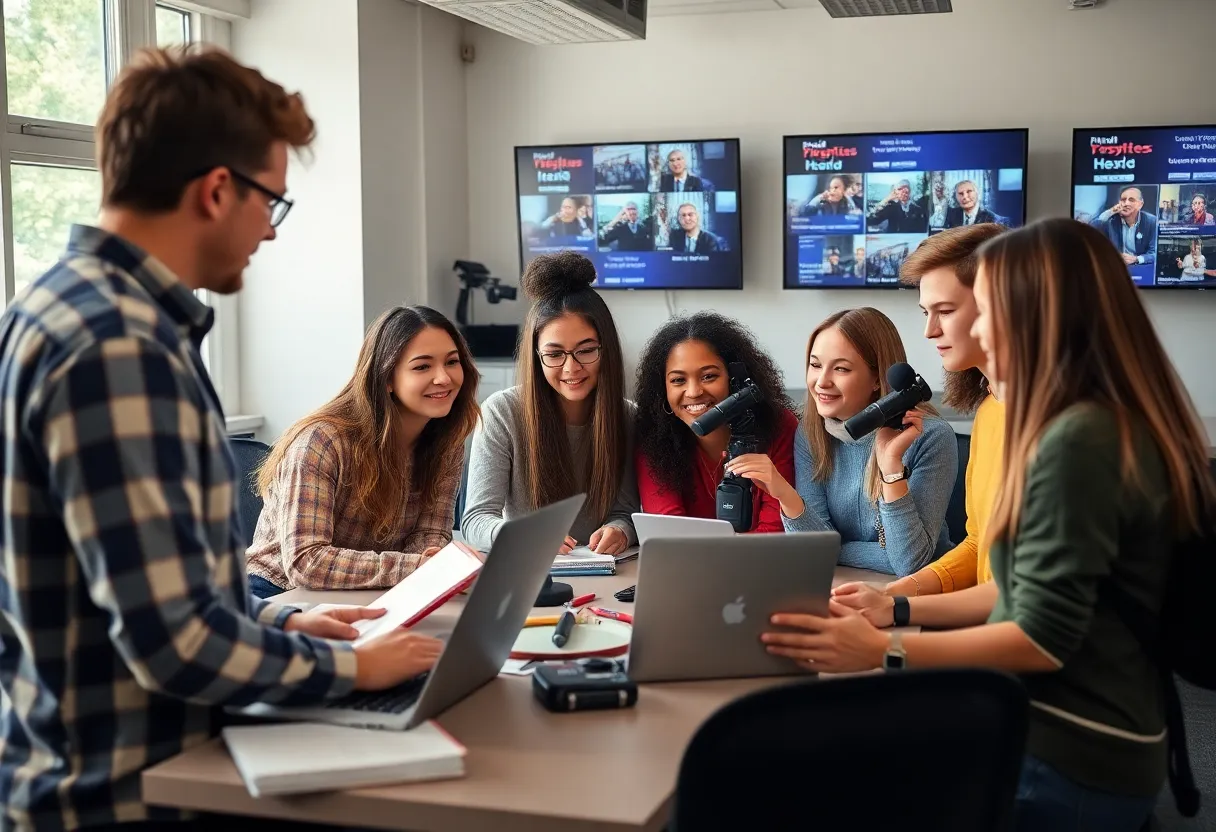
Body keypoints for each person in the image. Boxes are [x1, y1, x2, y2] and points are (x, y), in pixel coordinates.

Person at [0, 46, 443, 832]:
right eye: (271, 203)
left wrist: (274, 620)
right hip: (132, 796)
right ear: (215, 191)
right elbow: (172, 644)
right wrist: (349, 666)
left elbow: (135, 590)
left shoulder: (54, 311)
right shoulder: (119, 346)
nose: (270, 233)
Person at [762, 217, 1216, 831]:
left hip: (1068, 756)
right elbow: (1013, 583)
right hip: (1060, 734)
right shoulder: (1065, 420)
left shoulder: (1079, 436)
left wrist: (883, 649)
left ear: (1033, 311)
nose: (961, 326)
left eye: (981, 305)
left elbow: (1040, 636)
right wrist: (894, 609)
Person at [246, 306, 480, 597]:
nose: (444, 378)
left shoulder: (447, 441)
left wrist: (427, 565)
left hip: (370, 590)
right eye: (422, 366)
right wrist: (417, 568)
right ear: (386, 378)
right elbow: (306, 561)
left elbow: (429, 535)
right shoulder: (320, 442)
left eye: (452, 362)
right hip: (279, 593)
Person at [836, 224, 1007, 605]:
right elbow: (978, 544)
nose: (929, 331)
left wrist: (899, 610)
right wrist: (895, 594)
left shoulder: (1057, 423)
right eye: (925, 312)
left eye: (944, 311)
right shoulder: (991, 410)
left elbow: (1027, 600)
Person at [726, 308, 956, 576]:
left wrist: (891, 467)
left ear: (876, 378)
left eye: (841, 369)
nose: (822, 382)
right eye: (815, 365)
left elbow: (909, 562)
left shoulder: (931, 437)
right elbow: (813, 549)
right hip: (844, 585)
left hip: (922, 594)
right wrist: (784, 493)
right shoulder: (812, 434)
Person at [462, 251, 639, 554]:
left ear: (605, 348)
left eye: (586, 350)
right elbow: (475, 521)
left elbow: (625, 512)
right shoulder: (502, 412)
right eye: (555, 354)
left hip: (604, 570)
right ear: (536, 357)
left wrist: (621, 530)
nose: (571, 369)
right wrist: (529, 534)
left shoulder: (627, 416)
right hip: (529, 570)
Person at [634, 312, 798, 533]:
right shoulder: (653, 438)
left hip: (759, 565)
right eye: (678, 380)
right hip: (691, 566)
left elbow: (773, 534)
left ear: (735, 380)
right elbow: (670, 535)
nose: (693, 392)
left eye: (708, 376)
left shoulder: (779, 425)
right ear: (662, 390)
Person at [1089, 186, 1157, 265]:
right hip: (1117, 267)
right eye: (1123, 200)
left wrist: (1136, 259)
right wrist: (1111, 211)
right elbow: (1090, 230)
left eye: (1131, 200)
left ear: (1140, 204)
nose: (1126, 203)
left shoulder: (1152, 221)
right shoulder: (1111, 220)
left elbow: (1155, 253)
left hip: (1141, 267)